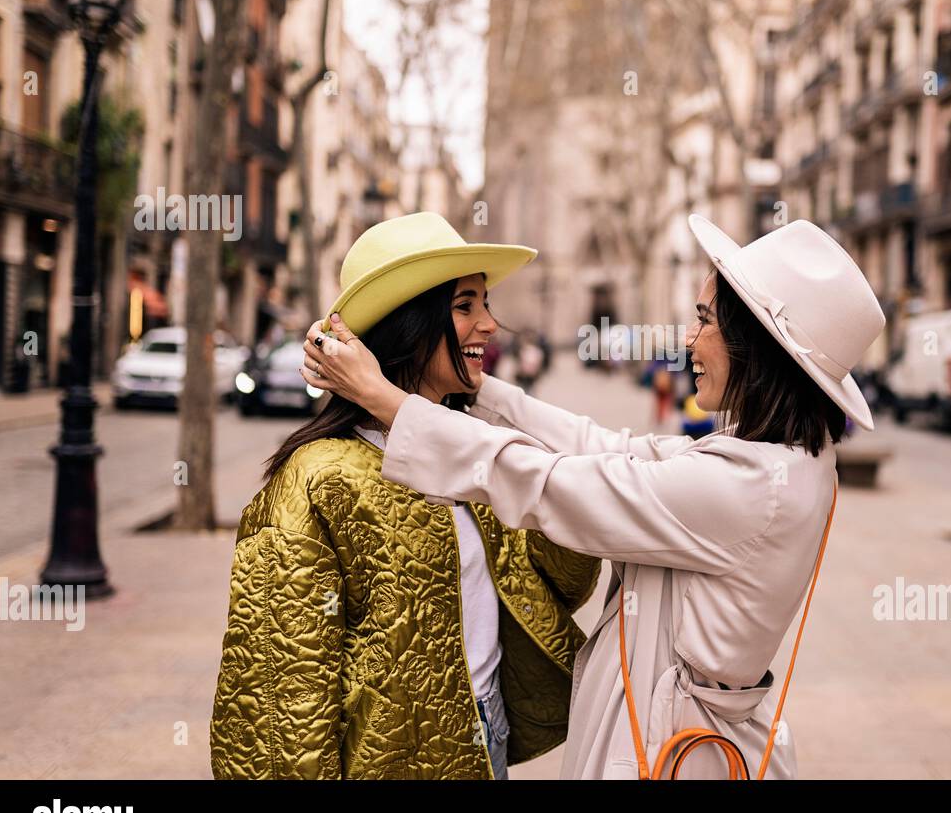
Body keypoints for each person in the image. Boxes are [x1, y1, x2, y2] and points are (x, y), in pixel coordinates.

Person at [302, 214, 885, 779]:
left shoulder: (751, 488)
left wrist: (392, 403)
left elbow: (551, 485)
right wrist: (473, 383)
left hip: (673, 751)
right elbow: (606, 448)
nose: (689, 339)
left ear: (756, 346)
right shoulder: (777, 460)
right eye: (464, 308)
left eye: (705, 320)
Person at [209, 212, 600, 779]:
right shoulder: (318, 479)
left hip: (484, 743)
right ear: (410, 324)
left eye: (485, 304)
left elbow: (558, 583)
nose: (491, 325)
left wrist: (548, 466)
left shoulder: (472, 451)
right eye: (466, 306)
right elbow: (278, 711)